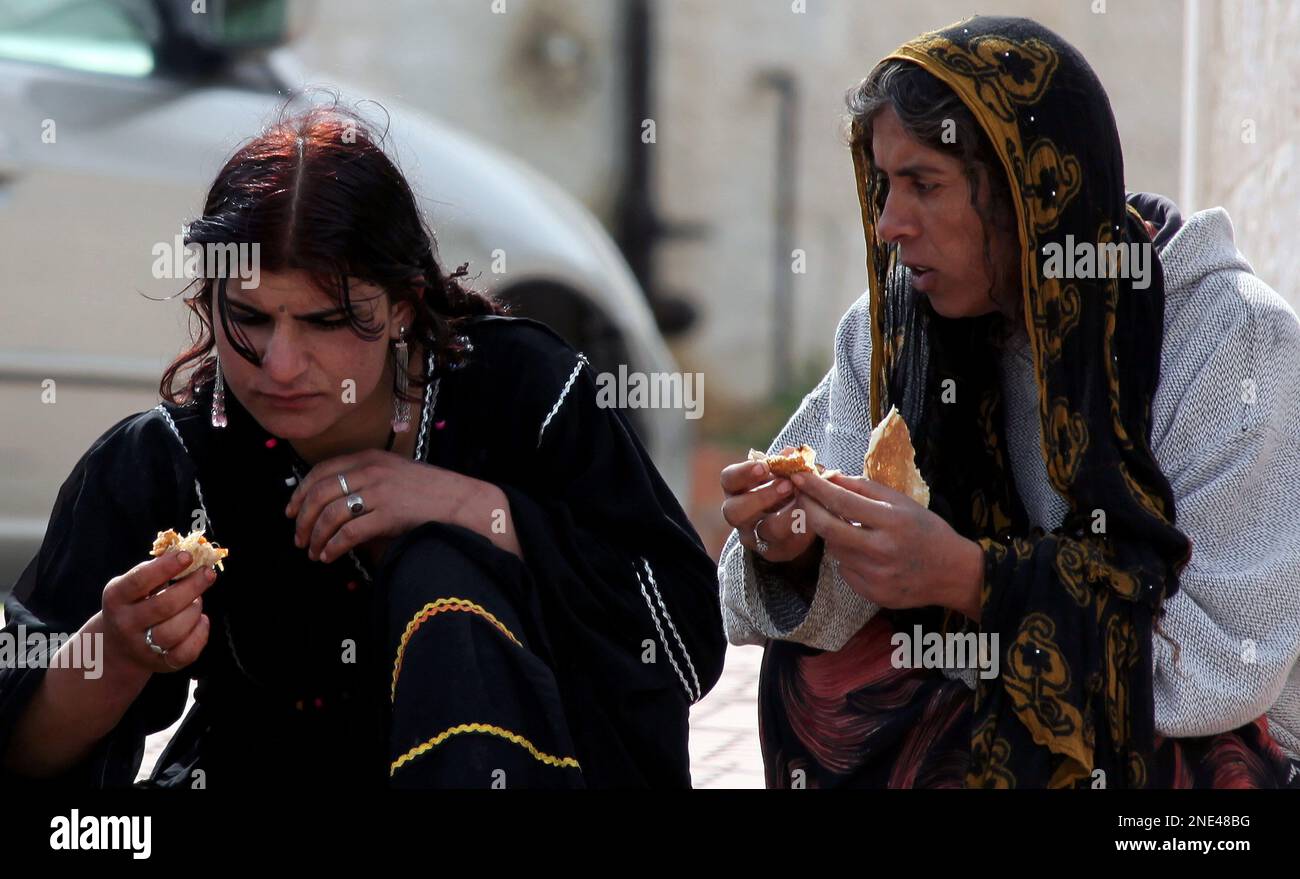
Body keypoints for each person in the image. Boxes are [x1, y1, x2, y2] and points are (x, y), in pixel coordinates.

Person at [0, 105, 725, 789]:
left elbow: (685, 643)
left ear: (404, 304)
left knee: (439, 564)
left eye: (326, 320)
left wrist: (477, 509)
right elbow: (22, 753)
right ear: (205, 301)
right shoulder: (171, 460)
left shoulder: (522, 393)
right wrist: (117, 653)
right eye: (248, 317)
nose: (280, 364)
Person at [719, 15, 1300, 788]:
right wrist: (792, 547)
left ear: (1031, 193)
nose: (890, 224)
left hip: (1209, 746)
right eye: (885, 184)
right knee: (818, 678)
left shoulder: (1226, 339)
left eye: (925, 184)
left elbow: (1226, 663)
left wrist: (969, 577)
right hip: (986, 687)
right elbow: (760, 601)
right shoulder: (893, 334)